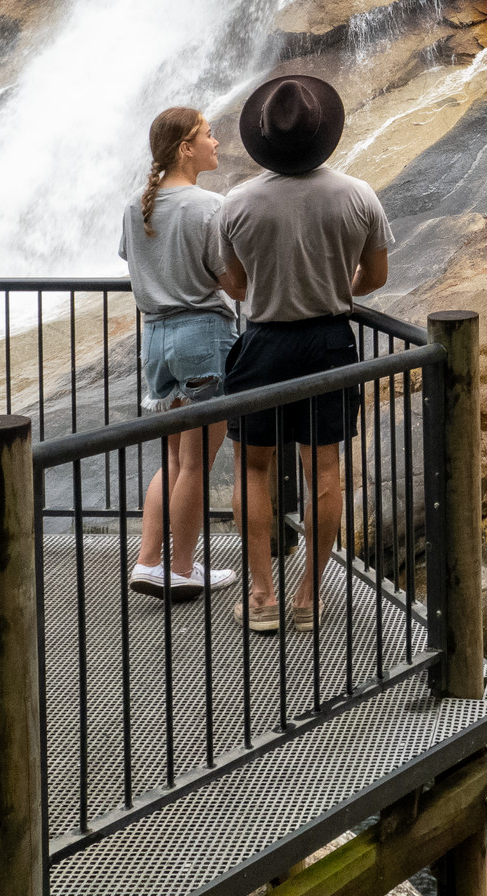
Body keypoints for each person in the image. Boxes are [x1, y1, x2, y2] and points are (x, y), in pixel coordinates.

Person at [219, 75, 391, 635]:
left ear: (264, 136)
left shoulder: (237, 204)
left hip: (263, 344)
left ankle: (262, 595)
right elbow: (375, 278)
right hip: (330, 341)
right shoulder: (357, 195)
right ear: (322, 132)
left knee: (254, 467)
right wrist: (336, 285)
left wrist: (276, 285)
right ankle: (309, 598)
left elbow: (237, 285)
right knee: (323, 467)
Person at [118, 106, 242, 600]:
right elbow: (228, 279)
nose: (217, 142)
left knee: (172, 457)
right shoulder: (207, 207)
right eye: (209, 135)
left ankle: (149, 562)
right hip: (203, 339)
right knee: (195, 462)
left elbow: (134, 261)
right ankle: (184, 568)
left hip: (156, 342)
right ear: (186, 148)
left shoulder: (135, 205)